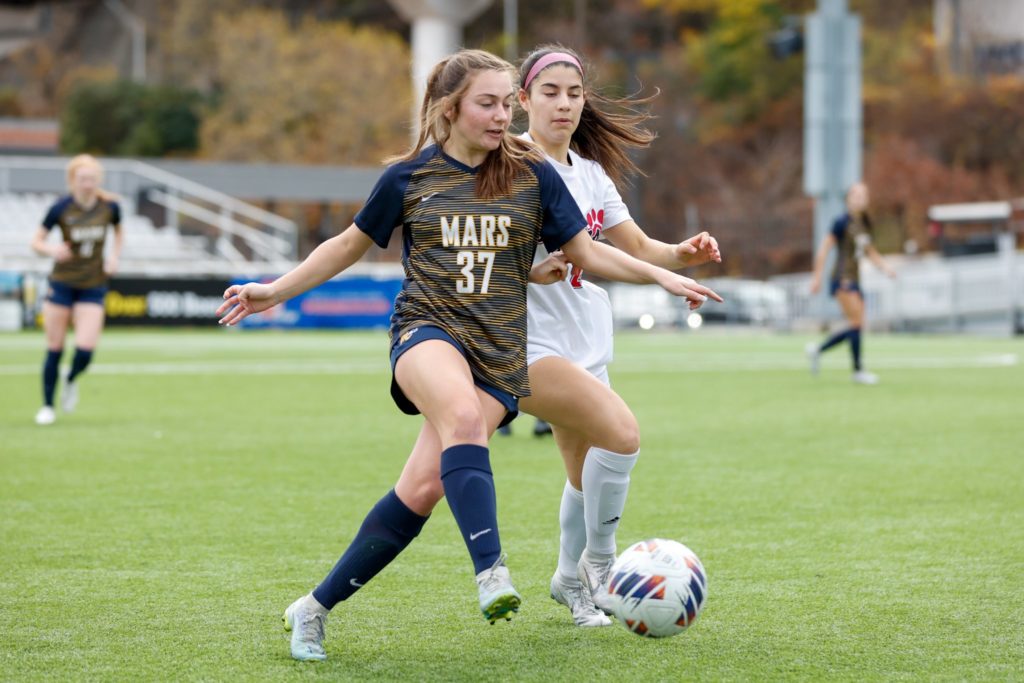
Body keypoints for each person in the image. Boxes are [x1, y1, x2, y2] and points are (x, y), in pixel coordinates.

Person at [215, 49, 720, 661]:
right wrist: (274, 290)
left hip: (499, 350)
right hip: (427, 333)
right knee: (459, 418)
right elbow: (345, 246)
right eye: (489, 103)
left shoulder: (535, 177)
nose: (502, 115)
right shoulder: (408, 178)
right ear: (450, 109)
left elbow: (588, 254)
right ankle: (493, 573)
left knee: (421, 490)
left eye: (507, 103)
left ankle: (313, 607)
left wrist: (661, 276)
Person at [514, 45, 722, 626]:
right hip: (528, 340)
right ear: (522, 100)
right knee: (622, 434)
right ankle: (599, 565)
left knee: (581, 469)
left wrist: (680, 255)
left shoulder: (591, 172)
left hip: (586, 339)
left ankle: (567, 581)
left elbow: (635, 246)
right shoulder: (508, 163)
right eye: (549, 92)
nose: (563, 104)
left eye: (574, 93)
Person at [30, 154, 123, 425]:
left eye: (92, 179)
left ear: (98, 180)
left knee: (85, 350)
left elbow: (119, 232)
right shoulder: (60, 208)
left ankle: (70, 379)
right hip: (61, 284)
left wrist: (114, 257)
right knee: (55, 347)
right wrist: (51, 249)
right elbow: (36, 241)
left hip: (93, 286)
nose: (87, 184)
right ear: (73, 180)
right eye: (82, 179)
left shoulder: (110, 207)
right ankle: (47, 406)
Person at [807, 181, 896, 384]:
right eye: (856, 195)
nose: (860, 199)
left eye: (863, 195)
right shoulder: (842, 221)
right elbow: (825, 248)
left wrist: (886, 268)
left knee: (856, 325)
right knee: (856, 323)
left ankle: (818, 350)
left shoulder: (863, 223)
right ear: (848, 199)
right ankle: (857, 370)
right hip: (842, 278)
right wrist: (817, 276)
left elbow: (870, 252)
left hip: (856, 279)